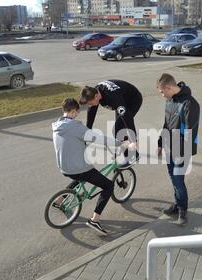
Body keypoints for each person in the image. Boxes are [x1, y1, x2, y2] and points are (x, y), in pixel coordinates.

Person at [52, 98, 133, 235]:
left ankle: (59, 200)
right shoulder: (75, 127)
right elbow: (98, 139)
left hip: (64, 166)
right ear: (72, 111)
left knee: (78, 177)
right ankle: (94, 220)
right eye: (76, 112)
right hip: (78, 168)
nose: (77, 114)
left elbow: (74, 141)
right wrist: (120, 143)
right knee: (108, 186)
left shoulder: (58, 126)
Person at [157, 73, 200, 226]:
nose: (162, 95)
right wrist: (160, 143)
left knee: (178, 180)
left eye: (162, 92)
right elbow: (166, 124)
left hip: (182, 150)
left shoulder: (189, 103)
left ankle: (182, 210)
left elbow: (190, 131)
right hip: (170, 147)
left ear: (169, 87)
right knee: (173, 178)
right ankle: (177, 204)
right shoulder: (170, 101)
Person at [79, 80, 142, 164]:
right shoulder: (93, 93)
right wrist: (87, 132)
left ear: (96, 96)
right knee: (118, 129)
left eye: (90, 103)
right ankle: (127, 152)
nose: (90, 105)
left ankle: (132, 155)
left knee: (119, 128)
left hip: (133, 100)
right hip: (121, 100)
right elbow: (91, 114)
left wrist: (134, 140)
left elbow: (127, 118)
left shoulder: (112, 97)